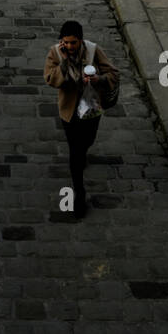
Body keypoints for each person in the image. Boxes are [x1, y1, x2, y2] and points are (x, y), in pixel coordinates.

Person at [44, 19, 120, 218]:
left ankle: (82, 154)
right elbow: (50, 79)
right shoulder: (55, 53)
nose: (69, 46)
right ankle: (79, 192)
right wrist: (63, 64)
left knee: (87, 141)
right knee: (75, 151)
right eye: (66, 42)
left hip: (90, 108)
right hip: (69, 110)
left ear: (81, 41)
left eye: (73, 42)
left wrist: (98, 79)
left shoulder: (93, 51)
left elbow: (113, 73)